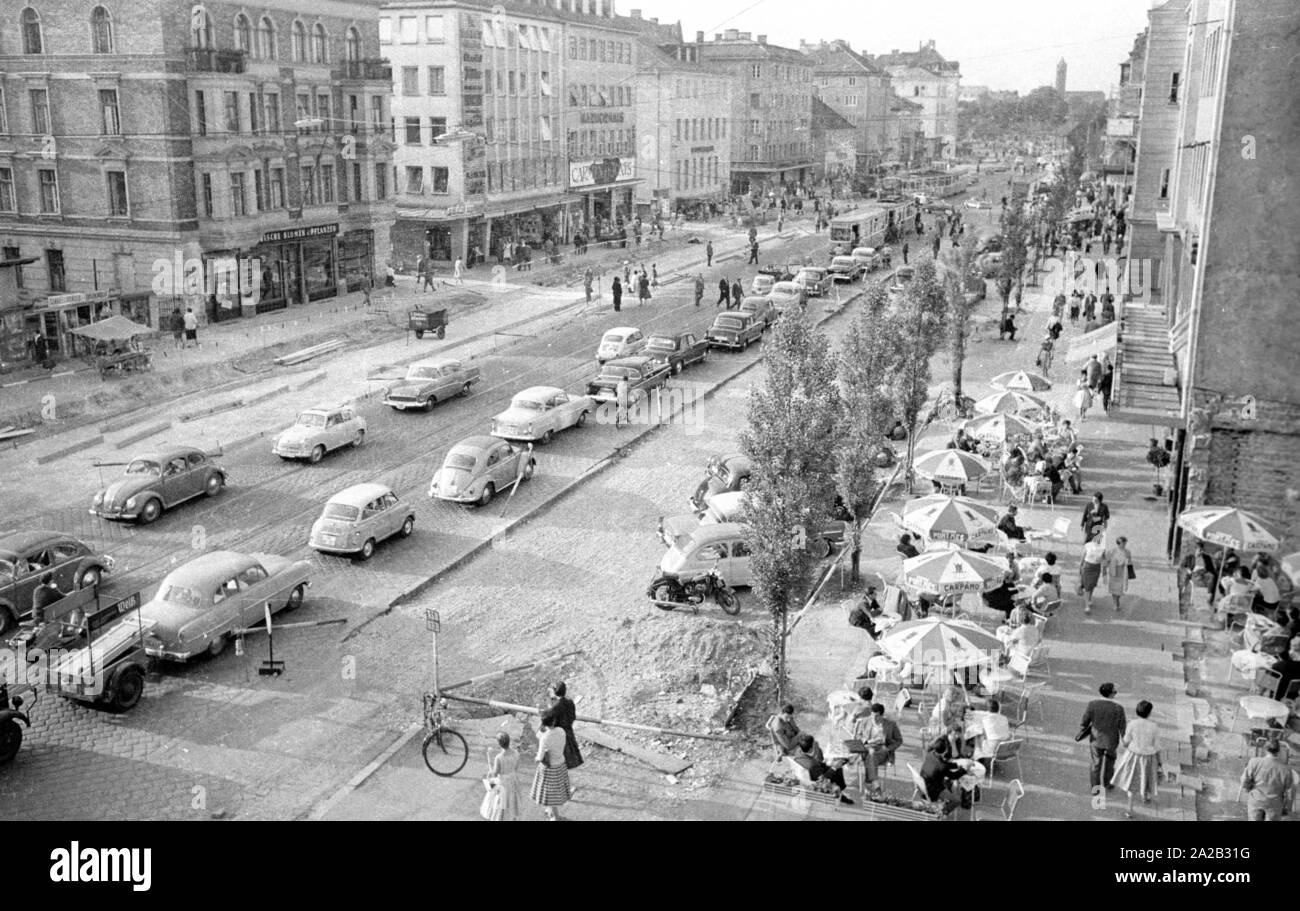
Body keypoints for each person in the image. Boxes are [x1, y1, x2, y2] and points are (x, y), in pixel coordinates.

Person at [1110, 699, 1160, 818]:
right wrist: (1160, 761)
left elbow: (1126, 742)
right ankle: (1145, 797)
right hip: (1148, 757)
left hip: (1133, 756)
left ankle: (1129, 810)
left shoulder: (1132, 724)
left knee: (1132, 783)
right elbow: (1157, 746)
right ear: (1149, 713)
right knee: (1147, 778)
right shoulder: (1154, 727)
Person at [1077, 682, 1127, 793]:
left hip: (1096, 740)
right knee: (1110, 762)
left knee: (1096, 763)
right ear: (1111, 694)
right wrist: (1125, 741)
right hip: (1111, 741)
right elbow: (1122, 727)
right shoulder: (1119, 708)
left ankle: (1095, 788)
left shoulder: (1092, 704)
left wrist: (1082, 730)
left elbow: (1085, 721)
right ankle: (1107, 783)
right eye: (1115, 692)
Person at [530, 710, 573, 820]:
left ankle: (556, 817)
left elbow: (539, 757)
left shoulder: (544, 738)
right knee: (559, 789)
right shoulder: (561, 731)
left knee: (550, 793)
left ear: (544, 723)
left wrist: (535, 757)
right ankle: (551, 810)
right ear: (554, 721)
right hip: (561, 763)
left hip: (550, 767)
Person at [789, 734, 853, 804]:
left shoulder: (798, 751)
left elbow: (813, 760)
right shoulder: (812, 765)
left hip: (813, 771)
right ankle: (839, 793)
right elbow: (822, 779)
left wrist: (826, 764)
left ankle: (840, 790)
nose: (816, 743)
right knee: (838, 770)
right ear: (810, 749)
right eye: (814, 743)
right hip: (816, 779)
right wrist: (834, 767)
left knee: (836, 764)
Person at [853, 703, 903, 791]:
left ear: (882, 715)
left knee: (871, 755)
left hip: (882, 750)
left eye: (876, 716)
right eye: (872, 716)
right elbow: (857, 737)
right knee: (871, 753)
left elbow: (899, 740)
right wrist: (868, 741)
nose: (873, 719)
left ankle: (869, 782)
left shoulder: (890, 724)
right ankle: (874, 783)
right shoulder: (865, 721)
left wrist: (888, 748)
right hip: (866, 748)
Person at [1240, 740, 1293, 821]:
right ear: (1279, 751)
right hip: (1275, 803)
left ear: (1265, 749)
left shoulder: (1254, 762)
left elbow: (1244, 781)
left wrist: (1248, 790)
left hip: (1256, 799)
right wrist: (1287, 807)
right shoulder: (1286, 769)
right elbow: (1289, 791)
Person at [483, 731, 522, 821]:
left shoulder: (499, 757)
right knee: (512, 801)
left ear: (499, 744)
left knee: (501, 803)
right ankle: (513, 818)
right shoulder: (516, 753)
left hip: (503, 783)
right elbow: (516, 767)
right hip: (513, 780)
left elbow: (496, 772)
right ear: (509, 741)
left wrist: (490, 772)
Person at [548, 682, 584, 771]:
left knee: (560, 760)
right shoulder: (570, 702)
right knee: (570, 757)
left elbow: (552, 722)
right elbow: (572, 717)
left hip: (559, 734)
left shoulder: (556, 706)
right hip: (569, 731)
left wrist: (550, 709)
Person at [919, 736, 965, 802]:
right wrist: (964, 770)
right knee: (958, 800)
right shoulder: (942, 766)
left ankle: (945, 802)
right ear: (945, 751)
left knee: (947, 784)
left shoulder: (930, 754)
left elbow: (943, 764)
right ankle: (943, 811)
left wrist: (957, 765)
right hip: (932, 791)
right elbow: (954, 776)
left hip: (923, 785)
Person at [972, 700, 1012, 771]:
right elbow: (1008, 734)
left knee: (978, 735)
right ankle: (992, 759)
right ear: (998, 709)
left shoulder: (985, 718)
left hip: (992, 748)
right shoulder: (1004, 718)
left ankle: (978, 758)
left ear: (987, 710)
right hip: (1005, 749)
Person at [1078, 532, 1107, 615]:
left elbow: (1104, 560)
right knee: (1087, 587)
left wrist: (1104, 570)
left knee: (1093, 585)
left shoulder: (1103, 548)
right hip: (1087, 567)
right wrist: (1080, 567)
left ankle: (1089, 599)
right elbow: (1083, 556)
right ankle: (1087, 606)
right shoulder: (1088, 545)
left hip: (1096, 568)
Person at [1103, 536, 1133, 612]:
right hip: (1114, 571)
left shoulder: (1127, 552)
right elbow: (1106, 561)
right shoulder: (1112, 551)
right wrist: (1104, 571)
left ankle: (1117, 600)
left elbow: (1129, 562)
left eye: (1125, 543)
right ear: (1119, 543)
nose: (1124, 545)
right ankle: (1115, 603)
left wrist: (1130, 573)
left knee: (1120, 590)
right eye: (1123, 543)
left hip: (1122, 572)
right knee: (1114, 589)